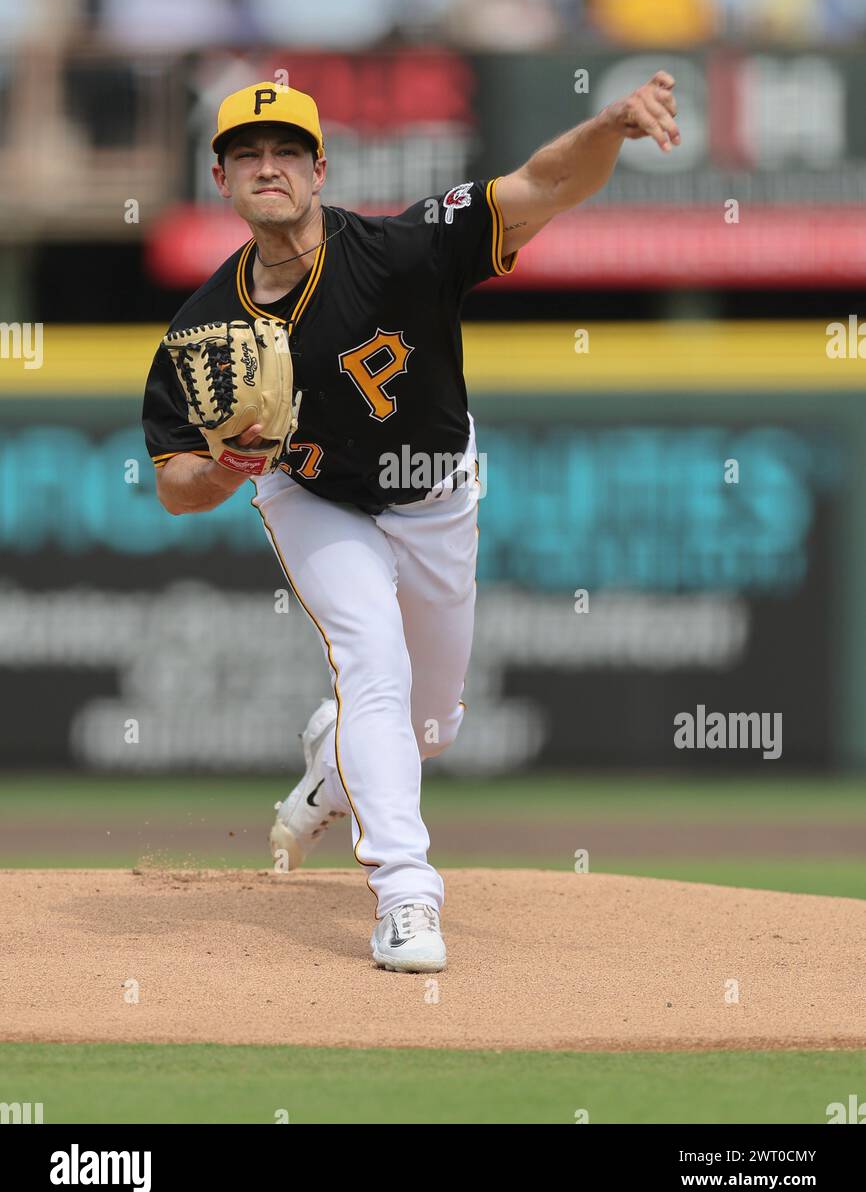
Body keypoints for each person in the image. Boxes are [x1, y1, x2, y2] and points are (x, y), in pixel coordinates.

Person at [142, 74, 680, 972]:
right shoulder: (201, 329)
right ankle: (405, 896)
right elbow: (175, 485)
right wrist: (233, 462)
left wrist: (610, 126)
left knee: (432, 725)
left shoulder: (404, 249)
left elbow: (544, 184)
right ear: (221, 176)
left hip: (435, 492)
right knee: (373, 664)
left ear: (320, 169)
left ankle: (331, 768)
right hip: (314, 498)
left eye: (285, 153)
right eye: (247, 155)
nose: (266, 168)